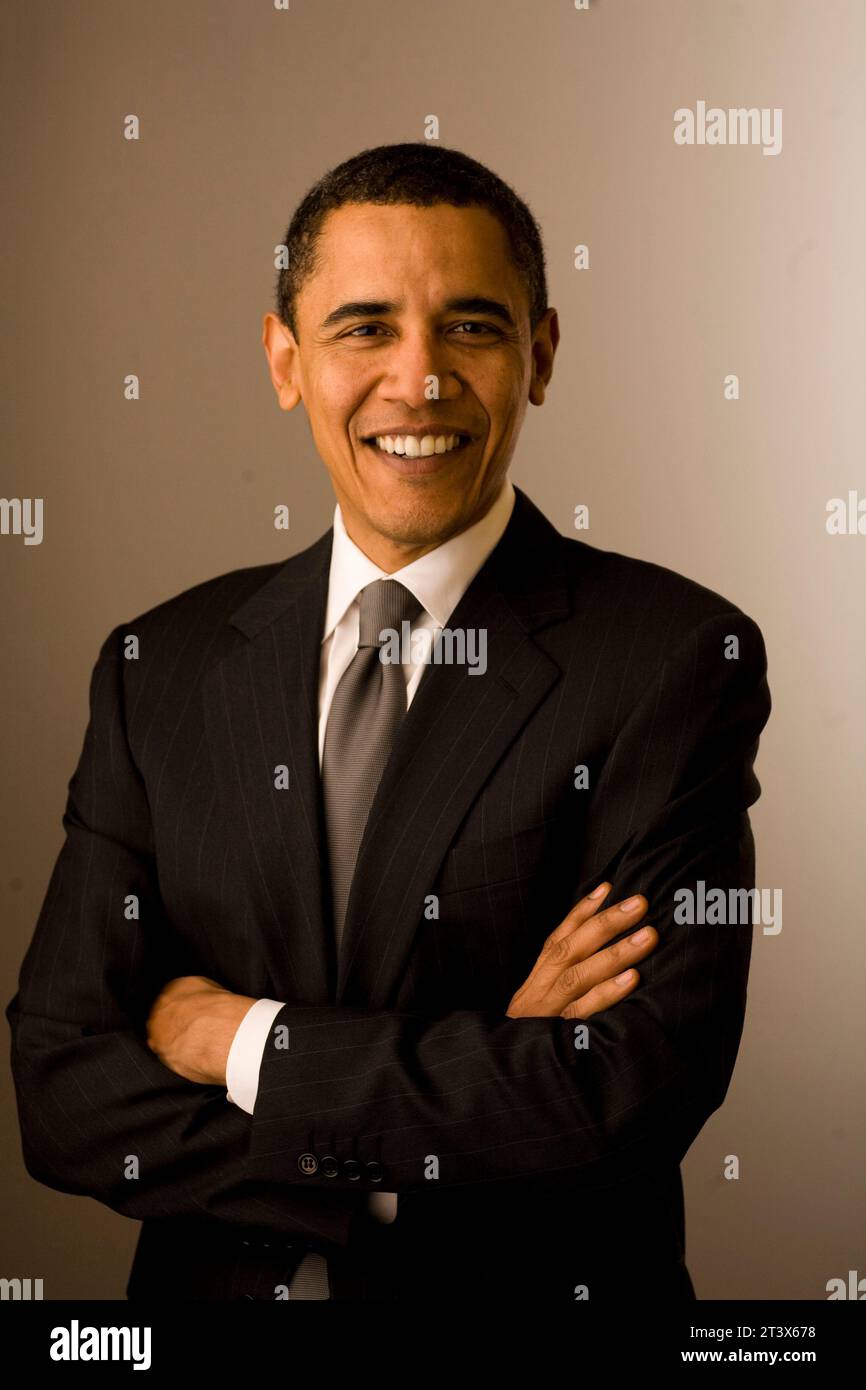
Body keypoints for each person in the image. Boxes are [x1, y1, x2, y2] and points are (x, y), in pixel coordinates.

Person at [7, 143, 771, 1302]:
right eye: (364, 327)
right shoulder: (156, 668)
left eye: (468, 327)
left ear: (540, 354)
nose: (416, 380)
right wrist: (425, 1131)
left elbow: (623, 1088)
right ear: (283, 359)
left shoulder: (668, 660)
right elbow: (62, 1087)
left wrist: (242, 1042)